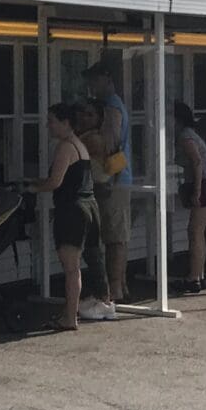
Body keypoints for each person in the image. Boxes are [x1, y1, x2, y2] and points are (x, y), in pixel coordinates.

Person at [34, 102, 104, 330]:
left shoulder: (66, 147)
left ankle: (70, 317)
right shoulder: (80, 145)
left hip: (73, 209)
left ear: (65, 123)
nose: (48, 125)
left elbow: (55, 181)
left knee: (71, 267)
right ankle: (95, 302)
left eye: (52, 121)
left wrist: (30, 187)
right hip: (89, 205)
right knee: (89, 259)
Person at [83, 63, 134, 308]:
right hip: (113, 178)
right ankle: (119, 284)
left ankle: (115, 287)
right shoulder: (112, 105)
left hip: (113, 178)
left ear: (107, 78)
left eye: (94, 81)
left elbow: (109, 144)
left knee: (114, 236)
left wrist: (110, 178)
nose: (91, 87)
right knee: (114, 235)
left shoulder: (113, 107)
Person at [71, 103, 120, 320]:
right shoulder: (84, 136)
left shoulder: (93, 139)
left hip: (97, 192)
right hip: (91, 191)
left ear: (99, 119)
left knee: (94, 246)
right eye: (82, 113)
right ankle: (99, 294)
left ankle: (104, 297)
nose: (84, 117)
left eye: (90, 114)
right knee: (90, 247)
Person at [172, 102, 206, 293]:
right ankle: (198, 274)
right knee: (197, 231)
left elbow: (197, 162)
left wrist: (197, 191)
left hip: (205, 183)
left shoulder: (186, 136)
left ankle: (194, 276)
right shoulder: (190, 134)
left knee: (195, 230)